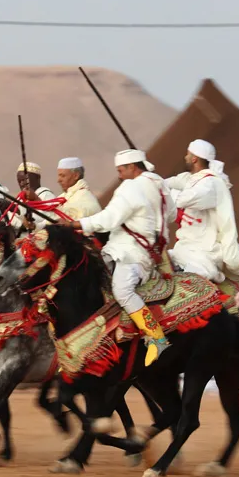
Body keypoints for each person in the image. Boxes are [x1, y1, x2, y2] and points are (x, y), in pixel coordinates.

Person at [66, 149, 176, 366]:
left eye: (120, 170)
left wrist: (75, 224)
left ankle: (157, 337)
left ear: (133, 167)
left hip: (131, 253)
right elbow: (171, 214)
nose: (119, 176)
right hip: (144, 250)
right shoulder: (159, 183)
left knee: (122, 290)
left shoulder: (131, 187)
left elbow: (108, 219)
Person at [165, 140, 239, 283]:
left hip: (205, 250)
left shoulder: (210, 184)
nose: (185, 157)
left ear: (194, 159)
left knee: (205, 274)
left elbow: (184, 200)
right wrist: (151, 182)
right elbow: (169, 183)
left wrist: (169, 195)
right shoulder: (192, 179)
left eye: (188, 154)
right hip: (187, 246)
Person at [53, 157, 102, 222]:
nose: (59, 180)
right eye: (59, 176)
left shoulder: (85, 196)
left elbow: (89, 214)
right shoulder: (62, 197)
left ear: (76, 176)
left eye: (63, 176)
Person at [9, 161, 57, 229]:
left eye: (25, 180)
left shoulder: (47, 195)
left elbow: (48, 217)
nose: (22, 184)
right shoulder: (20, 198)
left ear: (37, 178)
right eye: (19, 181)